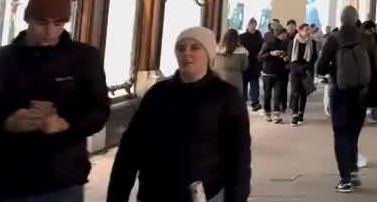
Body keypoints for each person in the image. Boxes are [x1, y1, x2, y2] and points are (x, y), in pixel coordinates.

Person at [0, 0, 109, 202]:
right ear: (28, 18)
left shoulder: (85, 59)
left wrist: (65, 124)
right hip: (4, 182)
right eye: (42, 22)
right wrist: (5, 124)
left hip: (62, 183)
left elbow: (100, 112)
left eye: (58, 24)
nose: (50, 32)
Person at [108, 27, 251, 202]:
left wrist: (236, 197)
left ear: (209, 54)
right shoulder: (158, 93)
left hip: (205, 194)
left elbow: (239, 155)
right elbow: (130, 149)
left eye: (195, 47)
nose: (186, 53)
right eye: (181, 48)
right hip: (154, 193)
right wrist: (116, 196)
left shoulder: (226, 96)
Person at [316, 6, 372, 193]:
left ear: (341, 19)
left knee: (340, 133)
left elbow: (320, 67)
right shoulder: (365, 38)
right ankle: (354, 171)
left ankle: (345, 179)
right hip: (361, 94)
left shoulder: (333, 39)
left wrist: (334, 69)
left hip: (339, 92)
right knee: (353, 133)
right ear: (356, 19)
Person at [287, 22, 318, 126]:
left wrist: (305, 67)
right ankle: (294, 115)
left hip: (306, 70)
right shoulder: (293, 42)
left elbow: (314, 57)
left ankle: (301, 113)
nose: (308, 32)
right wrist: (298, 68)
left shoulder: (312, 42)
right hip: (295, 71)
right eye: (306, 30)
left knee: (303, 93)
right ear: (300, 31)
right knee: (295, 93)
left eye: (309, 30)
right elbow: (290, 58)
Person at [258, 24, 289, 123]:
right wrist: (271, 53)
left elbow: (286, 55)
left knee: (278, 94)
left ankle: (276, 115)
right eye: (284, 33)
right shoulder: (268, 43)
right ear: (280, 34)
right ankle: (267, 112)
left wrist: (285, 57)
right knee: (267, 94)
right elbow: (260, 57)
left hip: (280, 72)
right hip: (268, 73)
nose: (286, 35)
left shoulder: (284, 43)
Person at [362, 21, 377, 123]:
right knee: (375, 94)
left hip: (366, 71)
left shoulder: (361, 39)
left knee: (364, 95)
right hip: (375, 71)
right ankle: (375, 116)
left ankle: (366, 116)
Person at [238, 18, 264, 110]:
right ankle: (243, 101)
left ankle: (255, 102)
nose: (253, 26)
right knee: (244, 84)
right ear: (248, 25)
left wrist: (260, 60)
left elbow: (262, 47)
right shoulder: (242, 36)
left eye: (255, 25)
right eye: (251, 24)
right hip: (245, 62)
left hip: (255, 63)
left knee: (254, 84)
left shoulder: (258, 35)